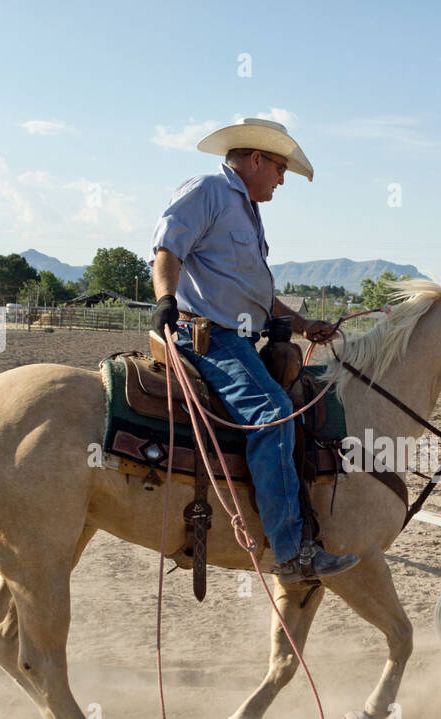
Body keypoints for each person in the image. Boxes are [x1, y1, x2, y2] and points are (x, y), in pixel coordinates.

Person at [149, 117, 359, 583]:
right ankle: (291, 553)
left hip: (239, 336)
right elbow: (167, 249)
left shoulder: (245, 208)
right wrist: (165, 299)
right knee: (274, 414)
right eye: (281, 169)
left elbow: (255, 293)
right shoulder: (206, 190)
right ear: (257, 159)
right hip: (209, 336)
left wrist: (301, 324)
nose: (282, 180)